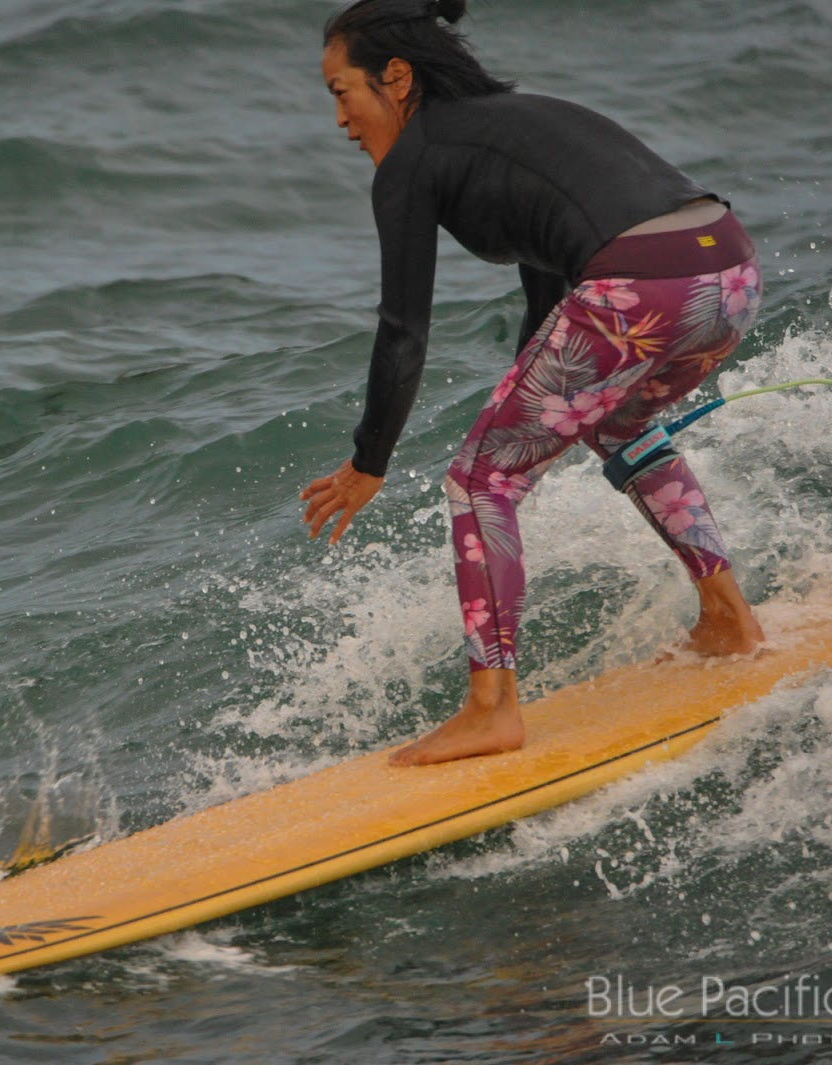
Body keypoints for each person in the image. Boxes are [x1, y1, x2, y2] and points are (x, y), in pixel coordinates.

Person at [299, 0, 767, 768]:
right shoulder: (510, 125)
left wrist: (368, 462)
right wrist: (533, 408)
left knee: (480, 478)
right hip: (728, 271)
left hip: (643, 287)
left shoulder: (415, 159)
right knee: (614, 424)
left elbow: (403, 328)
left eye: (341, 92)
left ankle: (491, 709)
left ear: (396, 77)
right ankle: (728, 619)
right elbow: (551, 286)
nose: (342, 120)